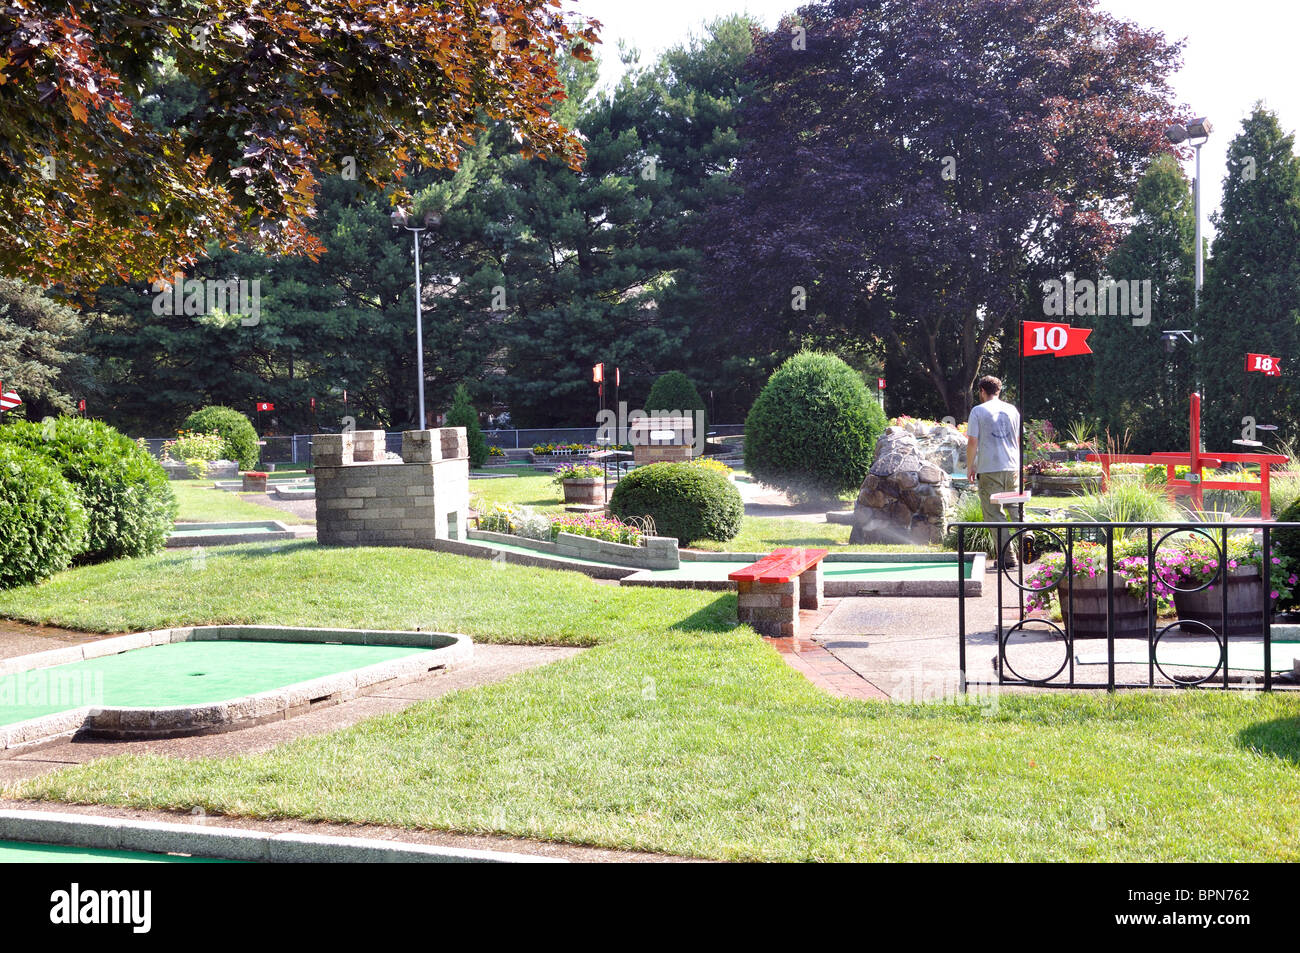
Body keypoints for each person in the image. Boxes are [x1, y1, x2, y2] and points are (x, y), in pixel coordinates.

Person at [966, 375, 1021, 569]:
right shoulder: (1012, 410)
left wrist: (970, 465)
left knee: (994, 514)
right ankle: (1027, 537)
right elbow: (1016, 439)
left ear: (982, 391)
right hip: (1012, 466)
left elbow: (973, 441)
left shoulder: (978, 411)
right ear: (999, 391)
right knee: (1015, 507)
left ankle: (1008, 557)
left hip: (989, 468)